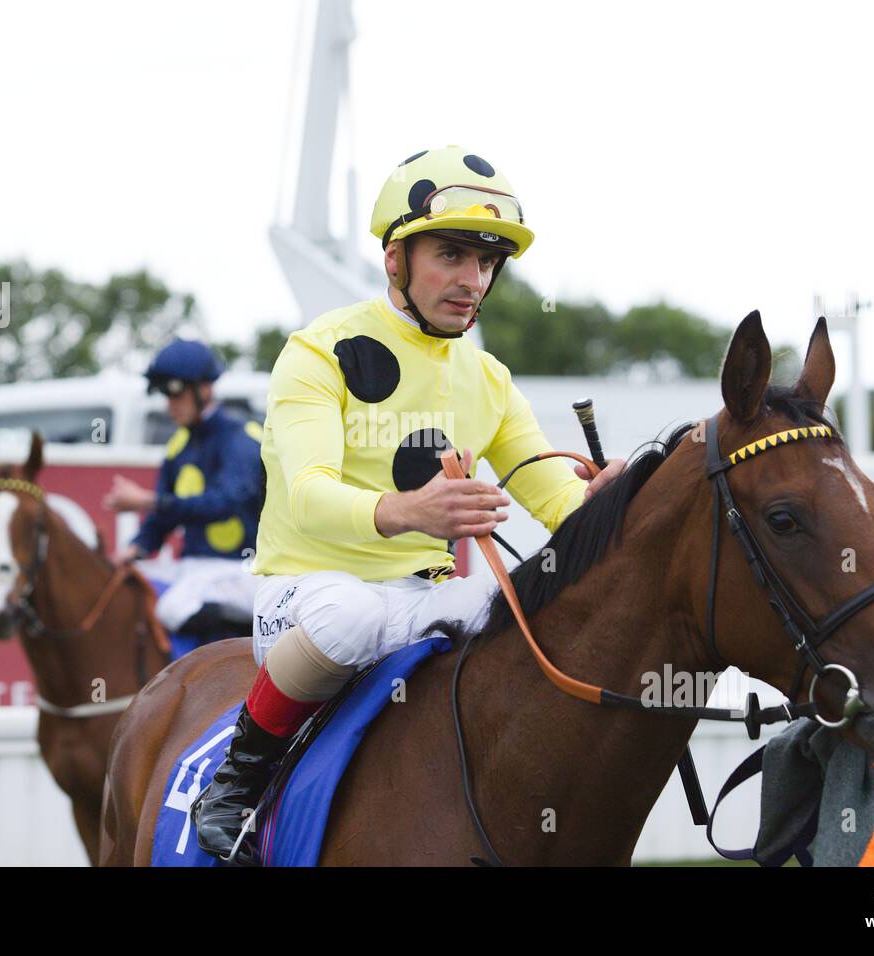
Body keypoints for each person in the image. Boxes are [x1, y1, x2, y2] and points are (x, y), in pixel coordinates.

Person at [190, 145, 627, 864]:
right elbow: (305, 499)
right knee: (352, 615)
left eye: (485, 263)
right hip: (304, 595)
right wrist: (412, 513)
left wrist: (606, 501)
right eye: (451, 255)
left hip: (422, 600)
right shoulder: (317, 351)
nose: (471, 281)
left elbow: (556, 503)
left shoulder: (488, 378)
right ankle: (237, 781)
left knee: (524, 611)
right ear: (396, 258)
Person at [103, 338, 263, 652]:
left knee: (171, 608)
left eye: (176, 392)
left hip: (245, 569)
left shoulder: (240, 439)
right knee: (126, 594)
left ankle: (246, 636)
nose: (170, 404)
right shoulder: (178, 445)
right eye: (165, 395)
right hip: (197, 571)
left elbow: (224, 503)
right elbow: (164, 517)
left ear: (204, 389)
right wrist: (134, 549)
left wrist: (147, 500)